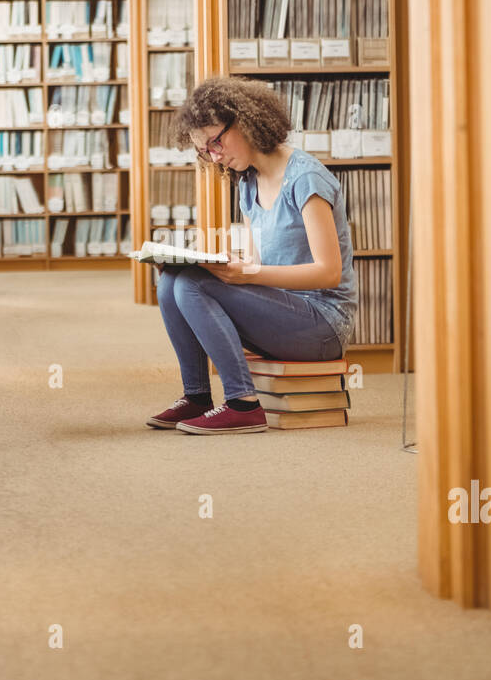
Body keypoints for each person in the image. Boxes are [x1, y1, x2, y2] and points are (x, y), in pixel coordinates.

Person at [147, 77, 358, 435]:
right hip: (285, 311)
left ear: (244, 121)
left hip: (323, 325)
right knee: (172, 279)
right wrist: (229, 268)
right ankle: (197, 396)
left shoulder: (305, 178)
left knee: (193, 287)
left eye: (217, 141)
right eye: (205, 150)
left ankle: (243, 404)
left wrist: (249, 275)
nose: (215, 155)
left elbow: (328, 273)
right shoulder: (247, 181)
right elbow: (262, 264)